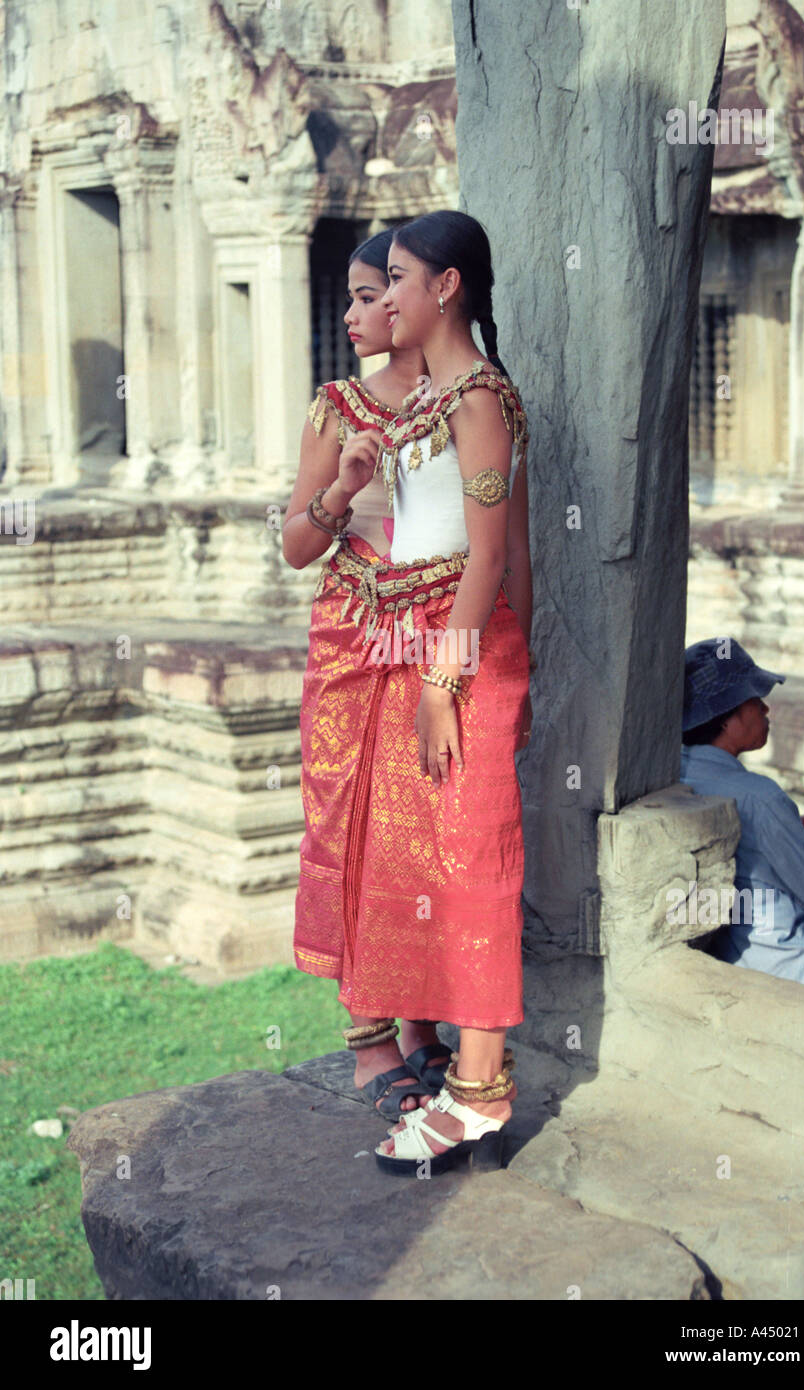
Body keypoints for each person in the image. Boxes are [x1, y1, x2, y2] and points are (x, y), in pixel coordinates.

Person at [337, 208, 533, 1176]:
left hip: (462, 658)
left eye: (401, 280)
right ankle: (457, 1071)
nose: (387, 296)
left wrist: (451, 683)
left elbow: (495, 555)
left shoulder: (478, 400)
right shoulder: (430, 403)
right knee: (444, 863)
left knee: (477, 862)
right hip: (434, 654)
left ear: (445, 288)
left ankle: (478, 1097)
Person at [283, 230, 447, 1120]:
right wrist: (342, 490)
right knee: (351, 827)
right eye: (349, 297)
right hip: (352, 639)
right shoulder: (336, 406)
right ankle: (369, 1041)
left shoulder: (466, 398)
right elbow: (297, 548)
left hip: (435, 643)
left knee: (423, 828)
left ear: (417, 294)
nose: (351, 314)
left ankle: (420, 1022)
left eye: (369, 293)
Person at [679, 637, 804, 992]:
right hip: (798, 967)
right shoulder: (760, 796)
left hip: (737, 957)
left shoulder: (675, 774)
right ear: (727, 720)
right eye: (755, 701)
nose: (766, 711)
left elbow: (750, 841)